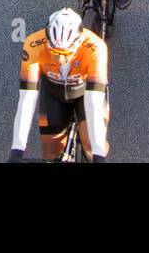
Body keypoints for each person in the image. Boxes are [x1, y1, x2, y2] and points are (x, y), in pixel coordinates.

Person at [7, 8, 109, 162]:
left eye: (66, 53)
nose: (60, 59)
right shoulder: (33, 44)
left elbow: (93, 102)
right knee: (51, 153)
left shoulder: (96, 47)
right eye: (54, 52)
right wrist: (17, 150)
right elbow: (27, 99)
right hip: (53, 93)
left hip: (85, 92)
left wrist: (99, 155)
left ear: (78, 41)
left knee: (91, 145)